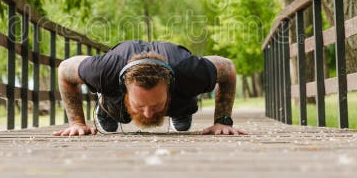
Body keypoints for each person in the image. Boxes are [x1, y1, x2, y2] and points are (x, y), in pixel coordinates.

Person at [54, 40, 246, 136]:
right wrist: (77, 122)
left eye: (154, 105)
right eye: (141, 106)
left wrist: (223, 121)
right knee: (113, 122)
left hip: (180, 85)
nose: (147, 114)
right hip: (116, 93)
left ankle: (181, 108)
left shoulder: (189, 71)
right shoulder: (104, 71)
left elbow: (227, 69)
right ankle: (107, 108)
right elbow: (64, 70)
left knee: (183, 121)